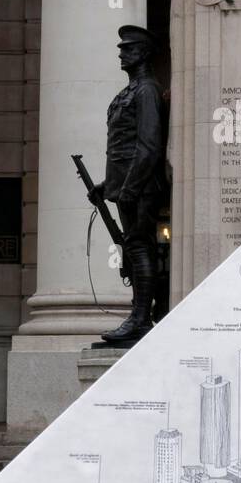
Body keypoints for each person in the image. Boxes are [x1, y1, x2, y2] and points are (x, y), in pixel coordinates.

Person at [88, 25, 168, 345]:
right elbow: (124, 148)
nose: (122, 53)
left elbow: (148, 146)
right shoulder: (132, 91)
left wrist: (131, 187)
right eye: (122, 48)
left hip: (141, 187)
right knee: (132, 249)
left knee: (138, 246)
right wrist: (107, 185)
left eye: (129, 48)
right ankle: (139, 316)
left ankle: (140, 317)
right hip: (127, 186)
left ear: (144, 53)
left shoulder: (147, 90)